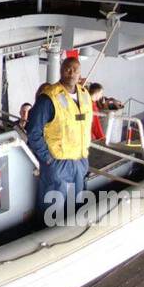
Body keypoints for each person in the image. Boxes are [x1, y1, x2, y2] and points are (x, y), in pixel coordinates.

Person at [26, 56, 93, 226]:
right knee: (52, 212)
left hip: (79, 162)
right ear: (61, 71)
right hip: (58, 163)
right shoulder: (49, 98)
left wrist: (84, 160)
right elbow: (33, 132)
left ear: (80, 74)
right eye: (67, 69)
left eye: (75, 70)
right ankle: (45, 242)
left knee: (76, 208)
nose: (71, 73)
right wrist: (48, 159)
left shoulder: (85, 95)